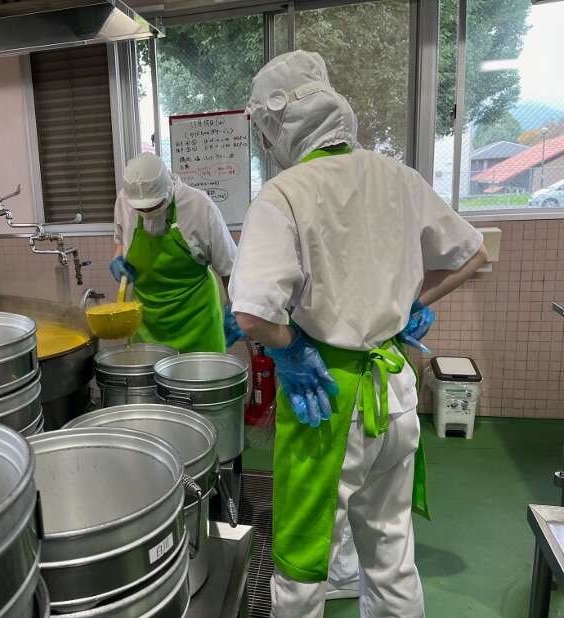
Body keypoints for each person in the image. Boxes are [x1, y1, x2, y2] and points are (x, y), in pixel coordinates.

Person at [229, 50, 487, 617]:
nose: (266, 144)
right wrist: (412, 305)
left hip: (327, 401)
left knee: (302, 563)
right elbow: (471, 253)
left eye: (265, 132)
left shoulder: (286, 193)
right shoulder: (398, 177)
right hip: (395, 393)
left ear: (280, 125)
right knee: (391, 554)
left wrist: (292, 348)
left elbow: (250, 314)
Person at [111, 152, 243, 353]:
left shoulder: (198, 205)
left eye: (154, 206)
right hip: (147, 323)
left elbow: (229, 267)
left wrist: (236, 311)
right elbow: (121, 239)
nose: (146, 213)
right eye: (140, 209)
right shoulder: (125, 199)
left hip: (197, 322)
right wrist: (117, 259)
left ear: (168, 190)